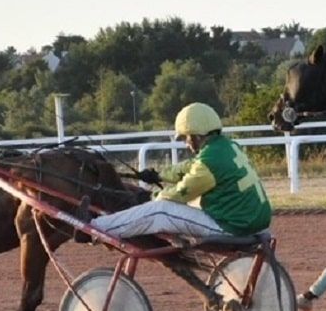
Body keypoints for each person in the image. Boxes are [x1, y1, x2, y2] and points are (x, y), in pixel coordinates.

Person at [91, 102, 272, 241]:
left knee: (160, 211)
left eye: (186, 137)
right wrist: (158, 175)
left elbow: (180, 194)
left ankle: (96, 228)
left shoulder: (208, 163)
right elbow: (189, 167)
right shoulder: (226, 147)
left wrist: (152, 197)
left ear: (196, 135)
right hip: (252, 221)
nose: (186, 143)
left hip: (233, 227)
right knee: (175, 206)